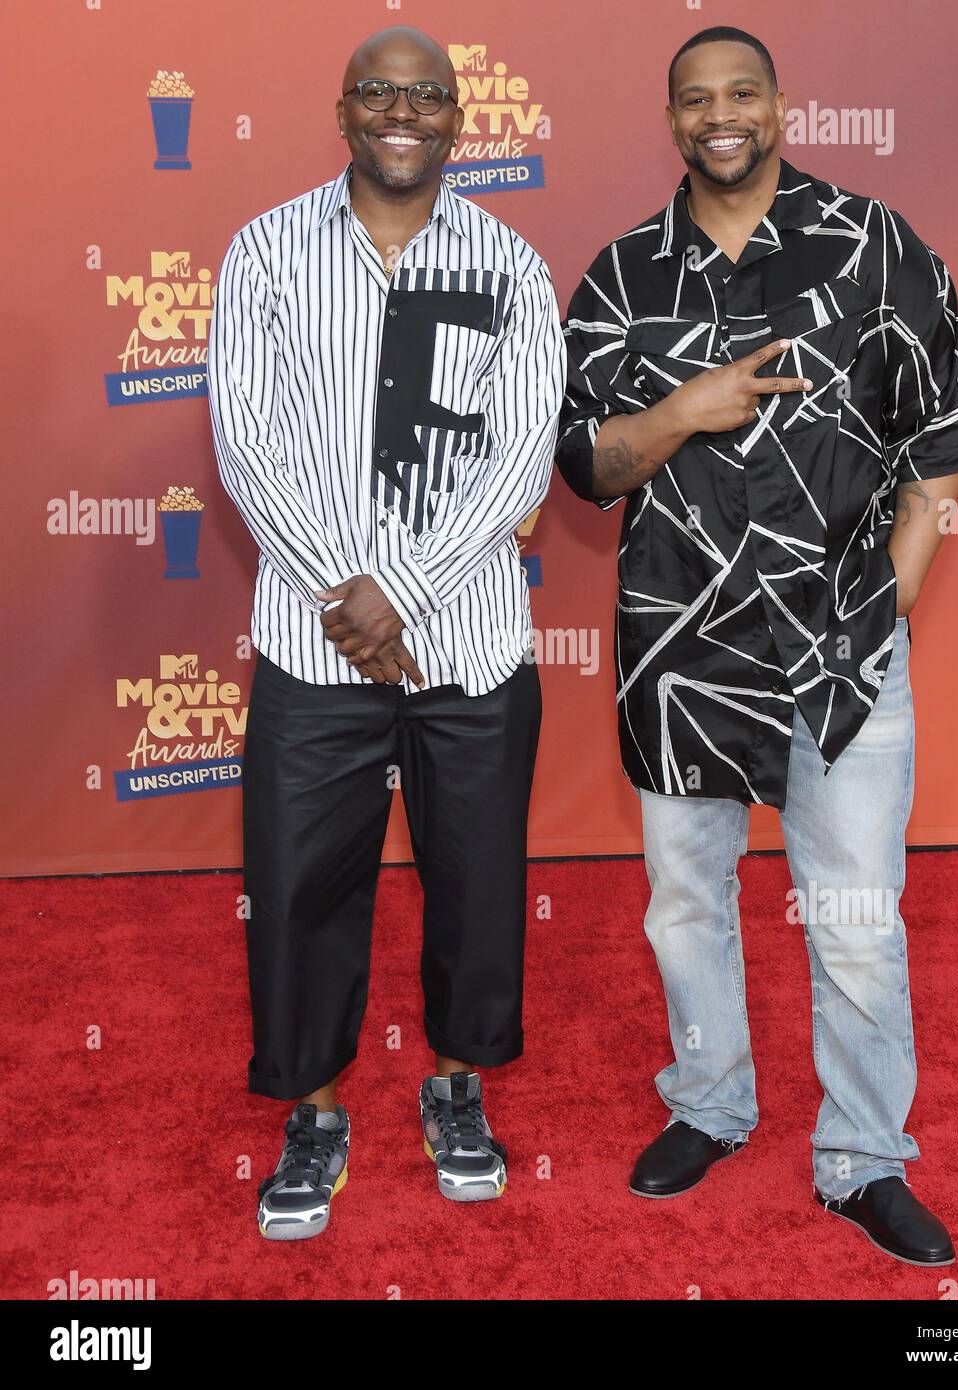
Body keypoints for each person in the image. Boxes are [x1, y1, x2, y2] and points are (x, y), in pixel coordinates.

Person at [555, 26, 958, 1266]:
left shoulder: (878, 247)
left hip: (839, 653)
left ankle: (861, 1155)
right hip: (678, 650)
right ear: (671, 119)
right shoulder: (624, 273)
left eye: (740, 93)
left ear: (780, 106)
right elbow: (584, 467)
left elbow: (939, 454)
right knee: (686, 901)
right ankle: (708, 1102)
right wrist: (680, 412)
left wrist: (888, 601)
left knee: (853, 916)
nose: (719, 116)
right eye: (695, 100)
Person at [207, 25, 564, 1238]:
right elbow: (247, 442)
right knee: (300, 885)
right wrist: (341, 592)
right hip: (313, 650)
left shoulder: (511, 264)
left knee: (476, 885)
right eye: (379, 92)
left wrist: (397, 594)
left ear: (460, 117)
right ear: (343, 109)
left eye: (426, 94)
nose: (401, 111)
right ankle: (312, 1109)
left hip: (468, 644)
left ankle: (456, 1087)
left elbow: (521, 455)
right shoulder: (263, 252)